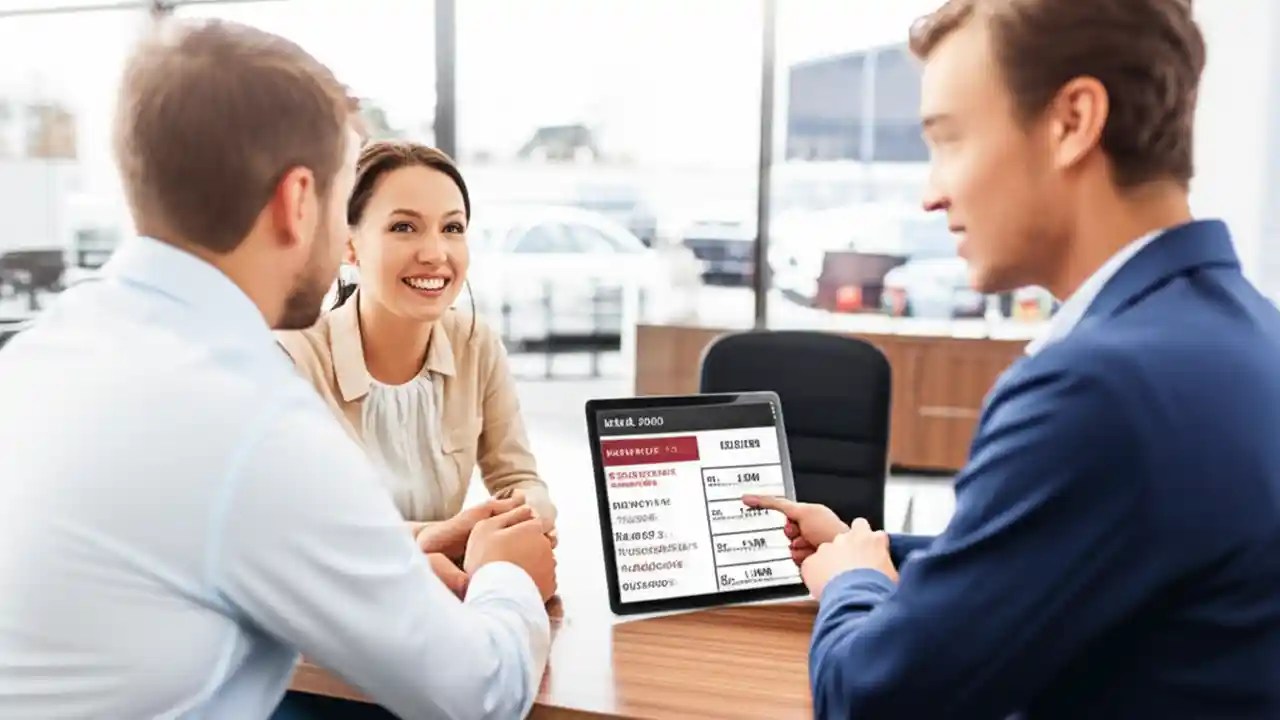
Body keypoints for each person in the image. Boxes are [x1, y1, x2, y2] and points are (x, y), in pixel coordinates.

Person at [0, 18, 555, 720]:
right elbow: (479, 694)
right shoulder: (250, 418)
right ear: (299, 201)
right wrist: (508, 576)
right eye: (343, 191)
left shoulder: (38, 357)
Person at [747, 0, 1280, 717]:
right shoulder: (1243, 334)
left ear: (1072, 122)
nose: (931, 193)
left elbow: (871, 700)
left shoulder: (1098, 387)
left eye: (949, 140)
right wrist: (867, 551)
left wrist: (851, 586)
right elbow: (1082, 547)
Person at [276, 140, 556, 570]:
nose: (435, 254)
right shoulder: (294, 359)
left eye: (452, 228)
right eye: (404, 228)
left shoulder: (475, 343)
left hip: (441, 603)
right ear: (349, 246)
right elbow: (299, 531)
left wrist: (523, 516)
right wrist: (442, 537)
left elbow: (518, 479)